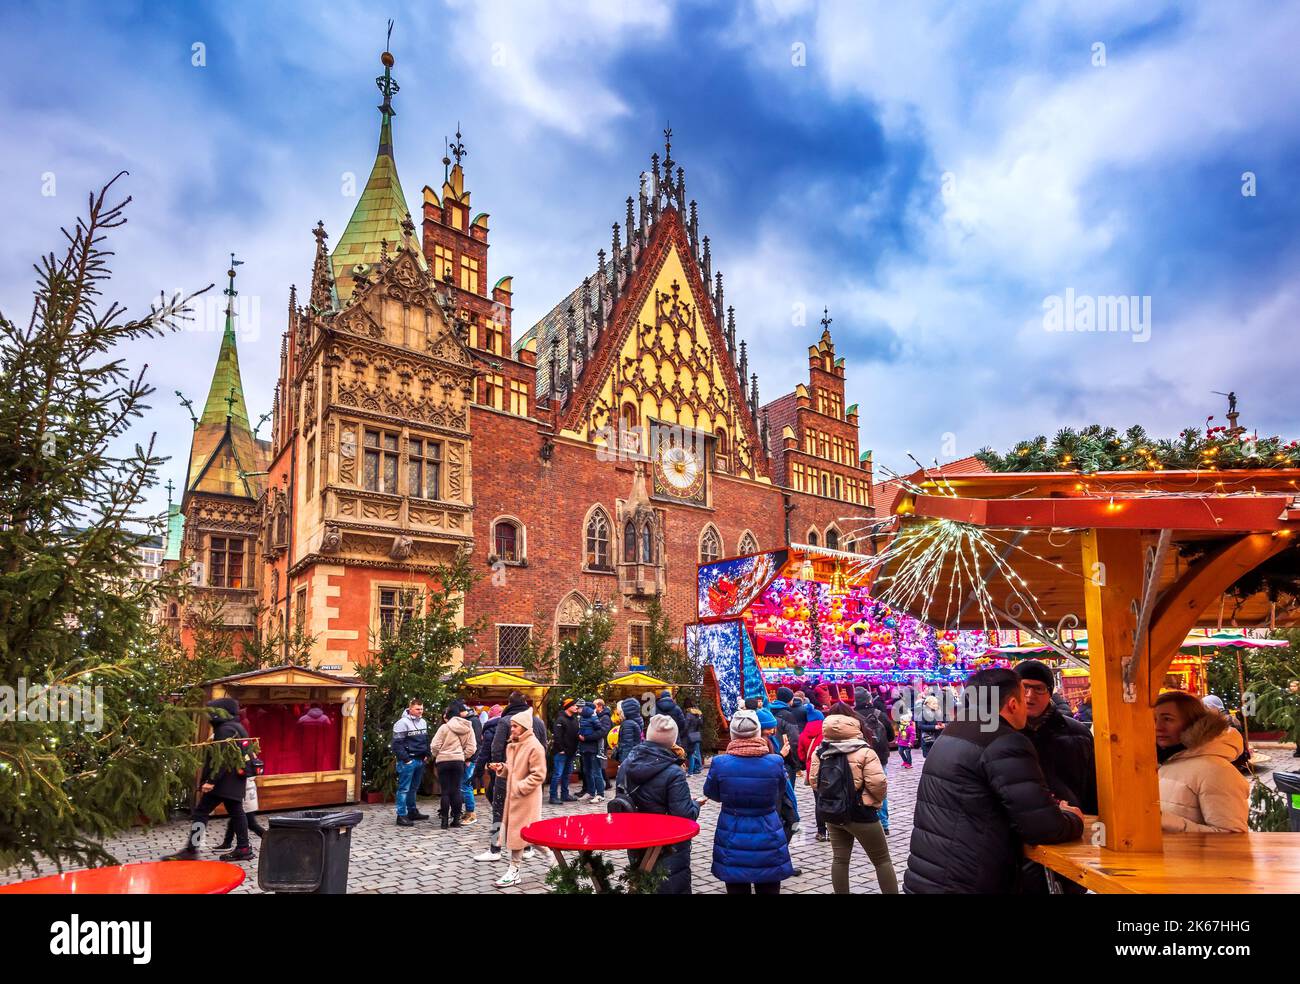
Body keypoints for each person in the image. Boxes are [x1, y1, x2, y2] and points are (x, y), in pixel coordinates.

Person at [905, 668, 1084, 893]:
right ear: (1012, 704)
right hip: (968, 882)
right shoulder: (1005, 741)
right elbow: (1043, 827)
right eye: (1022, 695)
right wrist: (1072, 818)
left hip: (930, 876)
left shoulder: (954, 731)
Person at [703, 709, 795, 894]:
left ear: (733, 735)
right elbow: (780, 790)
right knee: (769, 883)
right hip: (767, 828)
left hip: (732, 829)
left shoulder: (720, 763)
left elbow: (711, 793)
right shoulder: (775, 761)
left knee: (736, 884)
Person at [808, 710, 898, 894]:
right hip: (861, 813)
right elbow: (878, 783)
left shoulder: (820, 751)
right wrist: (873, 801)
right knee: (882, 860)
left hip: (832, 810)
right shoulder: (865, 751)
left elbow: (814, 781)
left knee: (840, 859)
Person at [613, 714, 700, 894]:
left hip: (637, 838)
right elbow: (684, 816)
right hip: (668, 844)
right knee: (670, 886)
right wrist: (696, 805)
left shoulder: (627, 764)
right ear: (672, 740)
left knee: (643, 884)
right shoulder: (674, 772)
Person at [165, 698, 257, 862]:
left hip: (223, 782)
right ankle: (243, 848)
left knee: (201, 812)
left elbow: (220, 759)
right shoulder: (237, 727)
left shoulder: (225, 729)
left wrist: (211, 781)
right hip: (235, 780)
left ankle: (192, 850)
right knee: (237, 813)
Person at [1156, 691, 1249, 833]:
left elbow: (1232, 836)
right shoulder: (1165, 762)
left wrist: (1169, 823)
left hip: (1192, 855)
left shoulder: (1217, 771)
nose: (1158, 727)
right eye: (1154, 719)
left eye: (1167, 719)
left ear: (1191, 722)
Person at [1015, 661, 1098, 814]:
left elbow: (1094, 788)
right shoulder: (1001, 733)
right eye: (1024, 687)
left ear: (1050, 693)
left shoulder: (1078, 733)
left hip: (1076, 822)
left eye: (1039, 689)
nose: (1029, 695)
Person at [477, 692, 547, 862]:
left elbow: (496, 746)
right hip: (528, 775)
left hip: (509, 775)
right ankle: (528, 846)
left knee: (498, 811)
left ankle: (495, 849)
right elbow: (544, 745)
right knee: (526, 813)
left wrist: (497, 769)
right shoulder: (537, 721)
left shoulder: (506, 721)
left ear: (509, 703)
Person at [490, 708, 547, 888]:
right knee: (524, 835)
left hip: (526, 798)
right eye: (511, 726)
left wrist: (520, 787)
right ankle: (552, 860)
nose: (512, 729)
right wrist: (502, 768)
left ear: (524, 727)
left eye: (515, 726)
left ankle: (515, 871)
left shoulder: (534, 746)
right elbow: (514, 769)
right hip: (515, 797)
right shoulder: (512, 745)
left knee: (523, 834)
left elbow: (539, 775)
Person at [429, 700, 478, 828]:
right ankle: (456, 820)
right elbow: (472, 747)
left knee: (445, 791)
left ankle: (444, 821)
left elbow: (434, 745)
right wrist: (462, 756)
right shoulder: (468, 727)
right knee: (456, 790)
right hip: (458, 762)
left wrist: (438, 754)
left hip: (443, 762)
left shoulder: (444, 727)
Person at [853, 686, 893, 833]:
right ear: (869, 699)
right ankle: (884, 824)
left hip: (860, 756)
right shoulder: (880, 714)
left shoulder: (853, 716)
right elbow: (891, 737)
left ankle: (867, 821)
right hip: (880, 757)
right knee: (881, 789)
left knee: (861, 788)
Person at [391, 698, 430, 827]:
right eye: (418, 709)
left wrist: (426, 754)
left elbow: (425, 740)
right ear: (410, 709)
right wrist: (406, 759)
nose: (420, 711)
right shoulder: (402, 723)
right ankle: (401, 815)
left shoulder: (423, 722)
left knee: (413, 788)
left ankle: (412, 811)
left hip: (419, 759)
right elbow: (397, 744)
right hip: (408, 761)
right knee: (404, 789)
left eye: (422, 709)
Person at [798, 707, 827, 840]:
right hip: (828, 770)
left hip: (813, 771)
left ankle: (821, 831)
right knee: (831, 799)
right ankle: (834, 830)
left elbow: (801, 754)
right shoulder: (826, 732)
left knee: (818, 801)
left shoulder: (803, 734)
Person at [1202, 694, 1251, 774]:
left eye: (1206, 708)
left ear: (1213, 708)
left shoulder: (1225, 721)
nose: (1205, 711)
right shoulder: (1224, 718)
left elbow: (1223, 744)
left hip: (1232, 760)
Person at [549, 698, 581, 804]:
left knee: (567, 774)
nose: (577, 707)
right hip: (561, 752)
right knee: (558, 774)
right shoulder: (560, 720)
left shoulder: (574, 719)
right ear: (568, 707)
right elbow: (557, 736)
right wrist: (561, 749)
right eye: (574, 705)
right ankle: (553, 796)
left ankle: (564, 795)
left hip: (571, 752)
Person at [460, 701, 483, 825]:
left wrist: (470, 759)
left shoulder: (473, 721)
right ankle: (468, 812)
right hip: (468, 758)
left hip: (470, 759)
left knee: (466, 785)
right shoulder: (470, 719)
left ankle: (471, 813)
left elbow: (476, 743)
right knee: (464, 785)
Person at [577, 702, 606, 803]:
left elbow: (601, 732)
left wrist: (586, 738)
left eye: (580, 708)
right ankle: (591, 792)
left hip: (593, 749)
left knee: (596, 771)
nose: (578, 709)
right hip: (584, 749)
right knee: (587, 771)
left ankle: (600, 794)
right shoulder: (581, 718)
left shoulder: (595, 718)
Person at [614, 696, 644, 764]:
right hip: (635, 756)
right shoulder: (637, 720)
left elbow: (627, 746)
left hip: (628, 760)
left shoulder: (628, 724)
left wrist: (624, 765)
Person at [682, 697, 705, 775]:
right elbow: (701, 724)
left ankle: (693, 769)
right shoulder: (698, 713)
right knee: (697, 752)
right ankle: (698, 768)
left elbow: (686, 726)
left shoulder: (688, 714)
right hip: (696, 734)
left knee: (691, 753)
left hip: (689, 735)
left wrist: (682, 733)